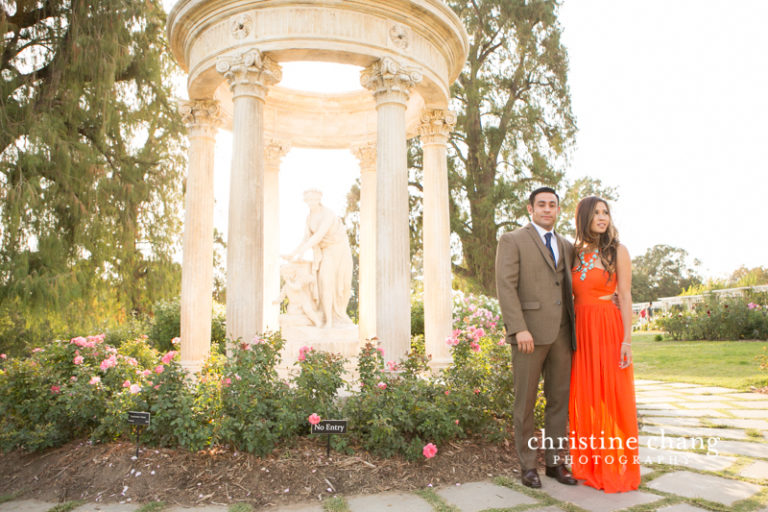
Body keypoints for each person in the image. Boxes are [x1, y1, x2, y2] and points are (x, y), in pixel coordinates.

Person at [495, 186, 577, 488]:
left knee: (559, 401)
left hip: (562, 334)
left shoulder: (567, 245)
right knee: (525, 403)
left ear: (558, 210)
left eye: (552, 205)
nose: (547, 209)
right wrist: (518, 328)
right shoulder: (513, 240)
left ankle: (555, 463)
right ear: (530, 209)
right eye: (541, 204)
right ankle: (528, 466)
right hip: (529, 334)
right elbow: (505, 286)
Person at [568, 196, 640, 492]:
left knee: (612, 394)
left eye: (605, 212)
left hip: (608, 328)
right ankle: (588, 464)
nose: (602, 217)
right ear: (584, 217)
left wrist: (627, 340)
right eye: (596, 212)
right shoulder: (573, 253)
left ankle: (616, 464)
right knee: (586, 396)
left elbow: (624, 296)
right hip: (580, 331)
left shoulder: (617, 251)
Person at [285, 189, 353, 328]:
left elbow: (318, 236)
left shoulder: (328, 214)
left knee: (342, 284)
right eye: (308, 200)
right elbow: (306, 238)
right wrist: (293, 253)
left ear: (319, 199)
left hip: (339, 249)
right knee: (325, 282)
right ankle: (328, 320)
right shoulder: (309, 217)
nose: (311, 202)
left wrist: (302, 251)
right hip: (326, 251)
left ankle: (337, 316)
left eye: (313, 199)